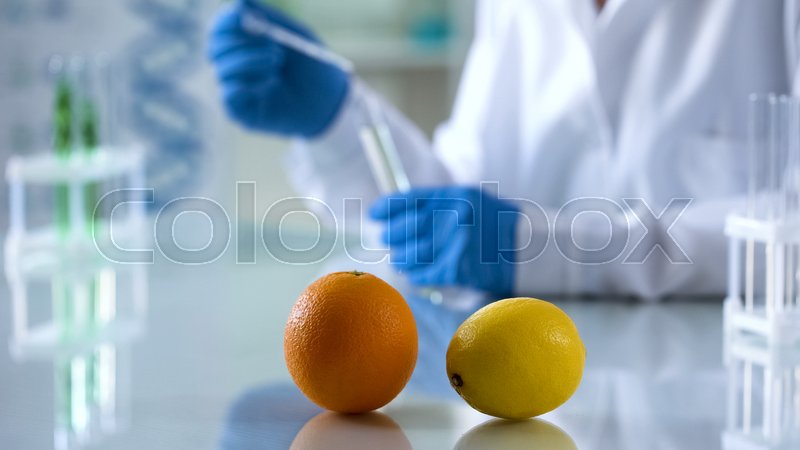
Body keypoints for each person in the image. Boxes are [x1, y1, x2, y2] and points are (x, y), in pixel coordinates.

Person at [209, 0, 798, 301]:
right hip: (513, 411)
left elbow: (790, 233)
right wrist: (338, 120)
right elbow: (462, 206)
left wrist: (548, 251)